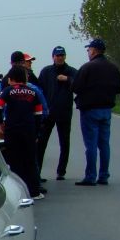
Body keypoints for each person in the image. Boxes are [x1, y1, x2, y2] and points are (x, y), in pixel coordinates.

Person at [72, 38, 120, 186]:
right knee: (104, 143)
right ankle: (104, 175)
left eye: (89, 49)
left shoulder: (88, 67)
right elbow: (119, 88)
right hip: (106, 109)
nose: (88, 52)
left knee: (91, 145)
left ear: (94, 50)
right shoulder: (113, 68)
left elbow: (75, 87)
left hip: (90, 110)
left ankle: (90, 176)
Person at [0, 65, 45, 199]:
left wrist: (0, 123)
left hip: (12, 130)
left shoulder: (7, 91)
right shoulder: (33, 92)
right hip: (29, 129)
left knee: (14, 161)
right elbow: (39, 113)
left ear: (11, 79)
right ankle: (34, 191)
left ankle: (17, 193)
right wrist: (37, 132)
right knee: (30, 161)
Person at [37, 46, 79, 180]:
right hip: (48, 112)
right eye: (57, 55)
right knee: (42, 142)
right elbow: (39, 90)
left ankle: (61, 171)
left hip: (64, 112)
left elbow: (79, 86)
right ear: (53, 57)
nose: (59, 57)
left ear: (65, 56)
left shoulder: (71, 71)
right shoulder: (46, 71)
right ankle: (37, 171)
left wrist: (67, 79)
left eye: (62, 55)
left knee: (64, 142)